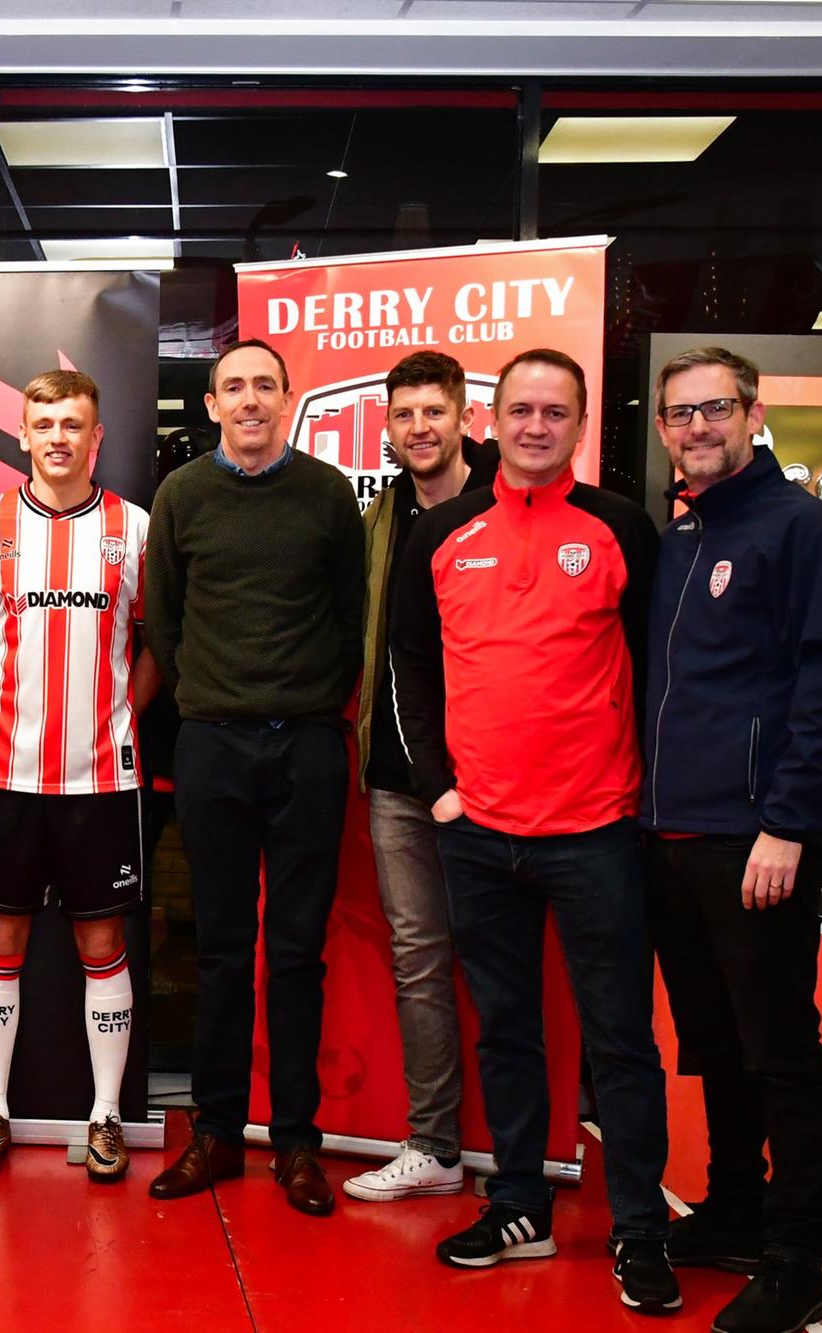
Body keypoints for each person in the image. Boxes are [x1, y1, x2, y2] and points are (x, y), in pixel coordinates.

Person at [389, 348, 678, 1312]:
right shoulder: (440, 529)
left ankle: (641, 1229)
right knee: (506, 1032)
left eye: (557, 411)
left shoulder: (621, 527)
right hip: (479, 833)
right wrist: (438, 790)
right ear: (493, 417)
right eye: (521, 409)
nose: (537, 425)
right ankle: (518, 1205)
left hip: (597, 829)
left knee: (619, 1042)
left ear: (582, 424)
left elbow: (659, 670)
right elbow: (412, 674)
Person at [641, 346, 822, 1333]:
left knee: (779, 1050)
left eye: (713, 408)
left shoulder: (802, 529)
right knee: (715, 1046)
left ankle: (793, 1259)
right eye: (678, 414)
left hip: (756, 842)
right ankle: (730, 1208)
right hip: (671, 837)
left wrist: (784, 822)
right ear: (659, 428)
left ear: (749, 411)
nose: (695, 427)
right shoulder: (680, 538)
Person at [143, 338, 365, 1215]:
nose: (248, 400)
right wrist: (213, 695)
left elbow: (352, 617)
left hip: (308, 745)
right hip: (212, 746)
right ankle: (216, 1135)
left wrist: (306, 696)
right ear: (210, 405)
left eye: (263, 386)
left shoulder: (326, 493)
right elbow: (164, 620)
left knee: (299, 953)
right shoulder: (182, 495)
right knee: (223, 951)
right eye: (231, 387)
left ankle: (298, 1143)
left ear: (286, 398)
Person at [0, 370, 157, 1183]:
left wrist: (115, 717)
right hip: (4, 773)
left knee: (102, 942)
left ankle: (104, 1115)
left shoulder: (134, 528)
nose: (59, 438)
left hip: (101, 778)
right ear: (24, 434)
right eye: (45, 424)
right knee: (0, 938)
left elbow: (151, 646)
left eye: (74, 424)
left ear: (97, 435)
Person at [344, 351, 497, 1204]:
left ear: (463, 412)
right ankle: (435, 1145)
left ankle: (515, 1156)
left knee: (501, 960)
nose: (419, 429)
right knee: (418, 960)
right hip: (399, 775)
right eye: (404, 416)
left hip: (496, 776)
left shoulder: (502, 503)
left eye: (434, 412)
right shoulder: (384, 514)